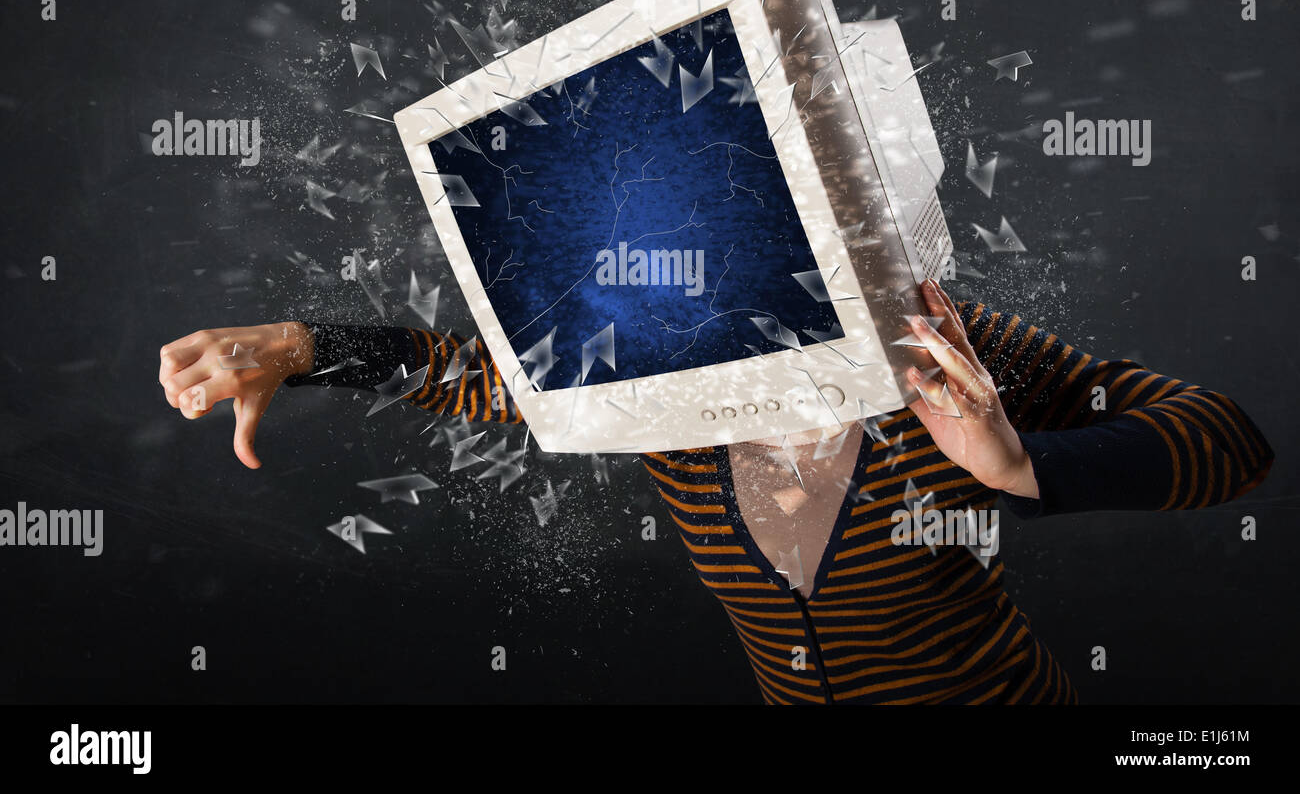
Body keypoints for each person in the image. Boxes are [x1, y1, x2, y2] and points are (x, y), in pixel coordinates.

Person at [157, 278, 1273, 704]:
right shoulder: (656, 379)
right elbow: (472, 373)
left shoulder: (933, 344)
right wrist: (303, 345)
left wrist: (1015, 463)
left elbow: (1229, 438)